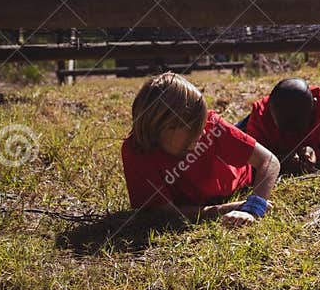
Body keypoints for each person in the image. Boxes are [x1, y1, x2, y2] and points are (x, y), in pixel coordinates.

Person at [120, 72, 279, 226]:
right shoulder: (136, 151)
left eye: (202, 126)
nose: (203, 133)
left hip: (243, 178)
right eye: (193, 128)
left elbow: (269, 160)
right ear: (162, 127)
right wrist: (226, 209)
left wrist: (253, 207)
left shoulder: (212, 126)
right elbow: (163, 213)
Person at [240, 78, 320, 174]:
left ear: (314, 106)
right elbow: (254, 158)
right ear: (271, 112)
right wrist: (279, 160)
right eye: (285, 128)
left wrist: (315, 154)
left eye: (297, 128)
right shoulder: (260, 114)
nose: (291, 135)